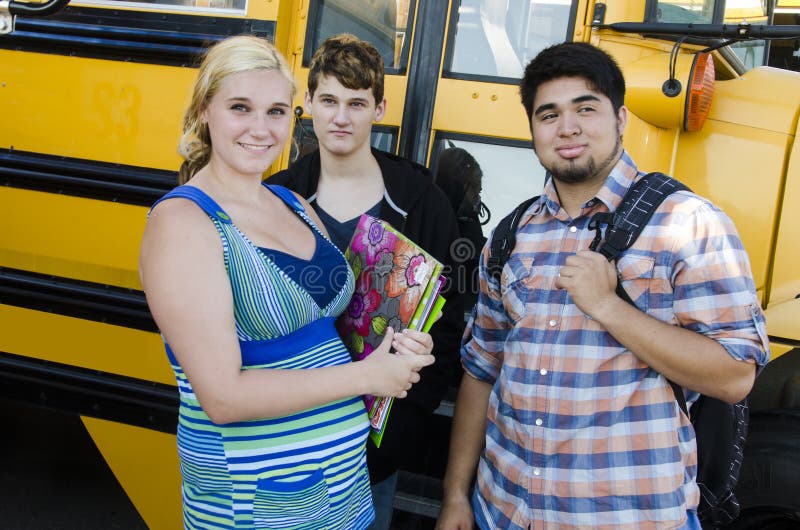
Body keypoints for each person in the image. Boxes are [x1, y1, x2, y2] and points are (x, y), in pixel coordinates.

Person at [436, 42, 770, 530]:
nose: (567, 127)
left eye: (585, 108)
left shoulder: (688, 223)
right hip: (502, 512)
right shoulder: (511, 235)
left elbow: (735, 376)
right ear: (532, 129)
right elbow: (482, 370)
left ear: (621, 118)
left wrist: (608, 307)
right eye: (548, 114)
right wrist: (454, 497)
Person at [138, 34, 436, 530]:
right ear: (205, 110)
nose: (261, 128)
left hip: (341, 493)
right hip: (259, 501)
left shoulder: (291, 203)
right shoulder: (184, 222)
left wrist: (397, 345)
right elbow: (223, 397)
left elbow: (331, 333)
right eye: (241, 107)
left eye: (277, 111)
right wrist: (367, 378)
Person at [270, 33, 465, 530]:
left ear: (379, 109)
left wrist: (404, 416)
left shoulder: (421, 203)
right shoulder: (277, 198)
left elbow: (447, 329)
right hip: (284, 431)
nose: (341, 117)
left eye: (357, 103)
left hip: (370, 449)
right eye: (329, 100)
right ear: (308, 102)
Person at [435, 145, 490, 315]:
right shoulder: (460, 227)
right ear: (462, 187)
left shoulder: (431, 214)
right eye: (476, 190)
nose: (477, 199)